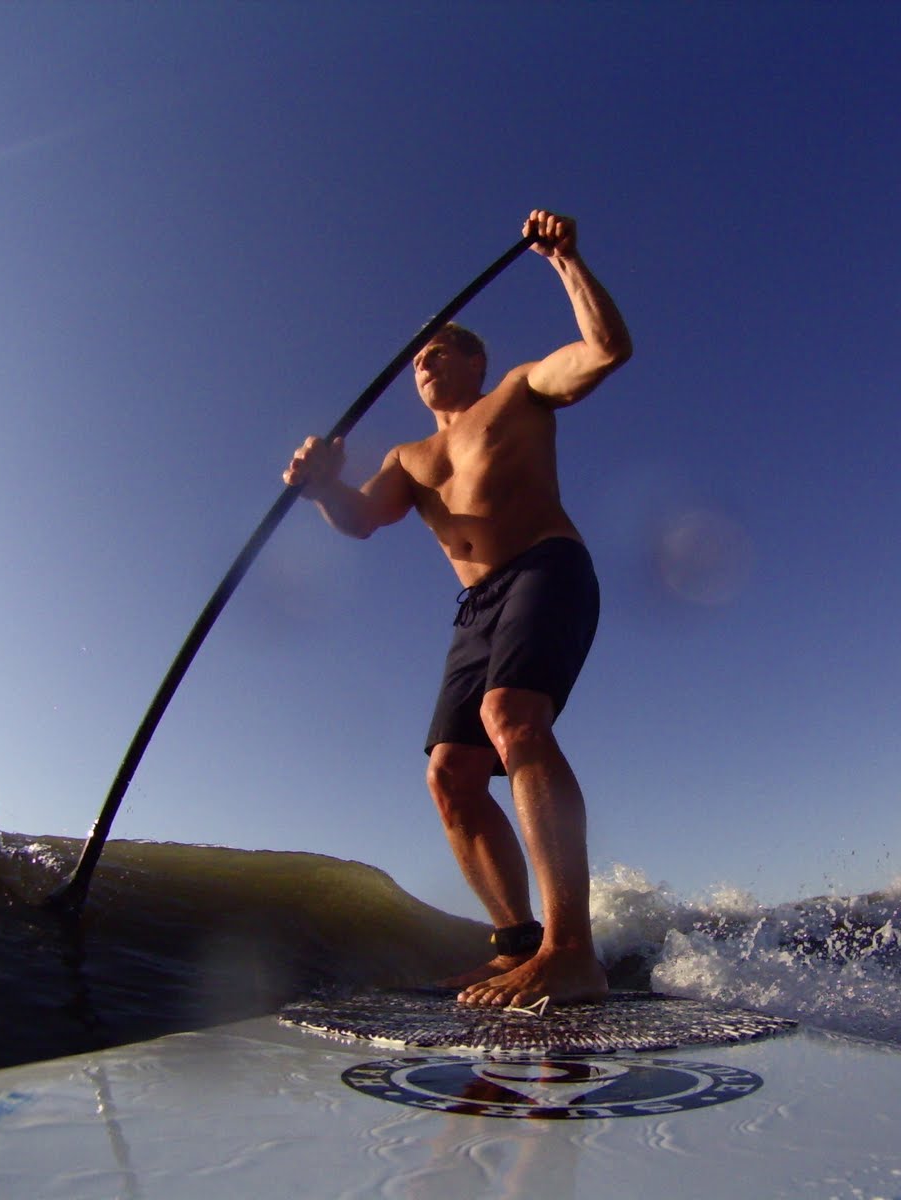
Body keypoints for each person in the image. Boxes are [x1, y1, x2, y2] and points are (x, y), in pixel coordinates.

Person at [283, 209, 631, 1008]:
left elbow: (607, 350)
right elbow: (360, 520)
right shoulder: (409, 457)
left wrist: (565, 261)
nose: (426, 363)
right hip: (476, 607)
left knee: (513, 718)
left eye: (440, 350)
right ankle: (516, 946)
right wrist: (323, 484)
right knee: (451, 774)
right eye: (417, 359)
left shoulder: (518, 391)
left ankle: (571, 951)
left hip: (546, 567)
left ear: (477, 360)